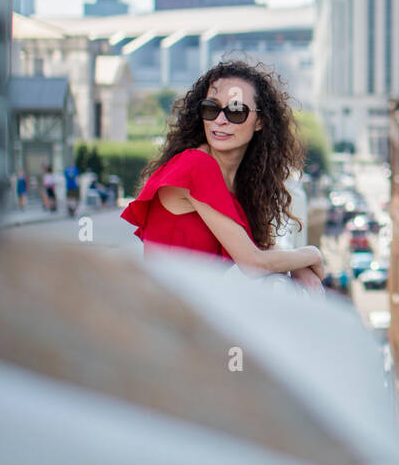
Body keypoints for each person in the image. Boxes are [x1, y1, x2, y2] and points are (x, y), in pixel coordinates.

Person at [121, 59, 324, 292]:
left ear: (260, 121)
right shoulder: (195, 165)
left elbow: (260, 248)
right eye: (211, 108)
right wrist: (311, 254)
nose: (220, 120)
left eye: (236, 111)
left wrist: (297, 265)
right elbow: (252, 263)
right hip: (172, 316)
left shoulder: (240, 182)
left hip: (196, 312)